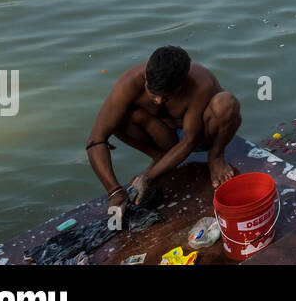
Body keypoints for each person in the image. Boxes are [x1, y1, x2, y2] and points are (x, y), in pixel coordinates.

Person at [87, 46, 241, 209]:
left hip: (203, 135)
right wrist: (114, 191)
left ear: (182, 84)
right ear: (146, 77)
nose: (159, 101)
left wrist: (148, 178)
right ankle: (159, 157)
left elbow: (190, 140)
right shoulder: (128, 83)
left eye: (167, 96)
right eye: (152, 94)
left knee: (226, 103)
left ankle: (216, 156)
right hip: (166, 138)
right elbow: (96, 139)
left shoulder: (200, 82)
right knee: (116, 119)